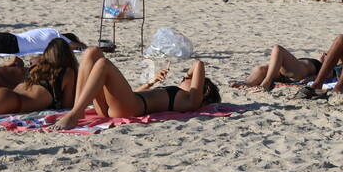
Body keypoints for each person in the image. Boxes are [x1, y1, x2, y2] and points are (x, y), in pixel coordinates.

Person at [52, 50, 218, 130]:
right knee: (91, 53)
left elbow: (198, 65)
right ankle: (77, 110)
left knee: (103, 64)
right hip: (125, 103)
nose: (185, 80)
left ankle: (74, 114)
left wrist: (188, 75)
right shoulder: (180, 96)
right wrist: (151, 83)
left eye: (189, 80)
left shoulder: (190, 100)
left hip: (129, 108)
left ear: (203, 90)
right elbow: (132, 94)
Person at [0, 27, 86, 56]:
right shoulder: (56, 35)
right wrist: (84, 46)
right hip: (9, 44)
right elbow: (73, 45)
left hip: (6, 37)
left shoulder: (49, 31)